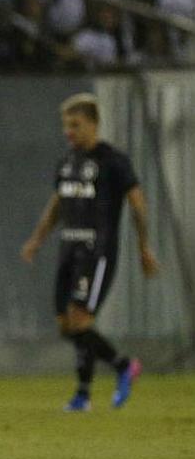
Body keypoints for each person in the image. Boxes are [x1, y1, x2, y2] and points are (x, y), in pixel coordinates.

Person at [21, 93, 158, 412]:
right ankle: (118, 367)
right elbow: (57, 203)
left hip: (97, 253)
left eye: (75, 124)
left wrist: (144, 247)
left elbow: (138, 204)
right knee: (66, 326)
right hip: (68, 249)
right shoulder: (68, 161)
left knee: (80, 320)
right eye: (65, 125)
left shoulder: (113, 161)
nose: (68, 131)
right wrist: (37, 239)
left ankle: (86, 392)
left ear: (94, 124)